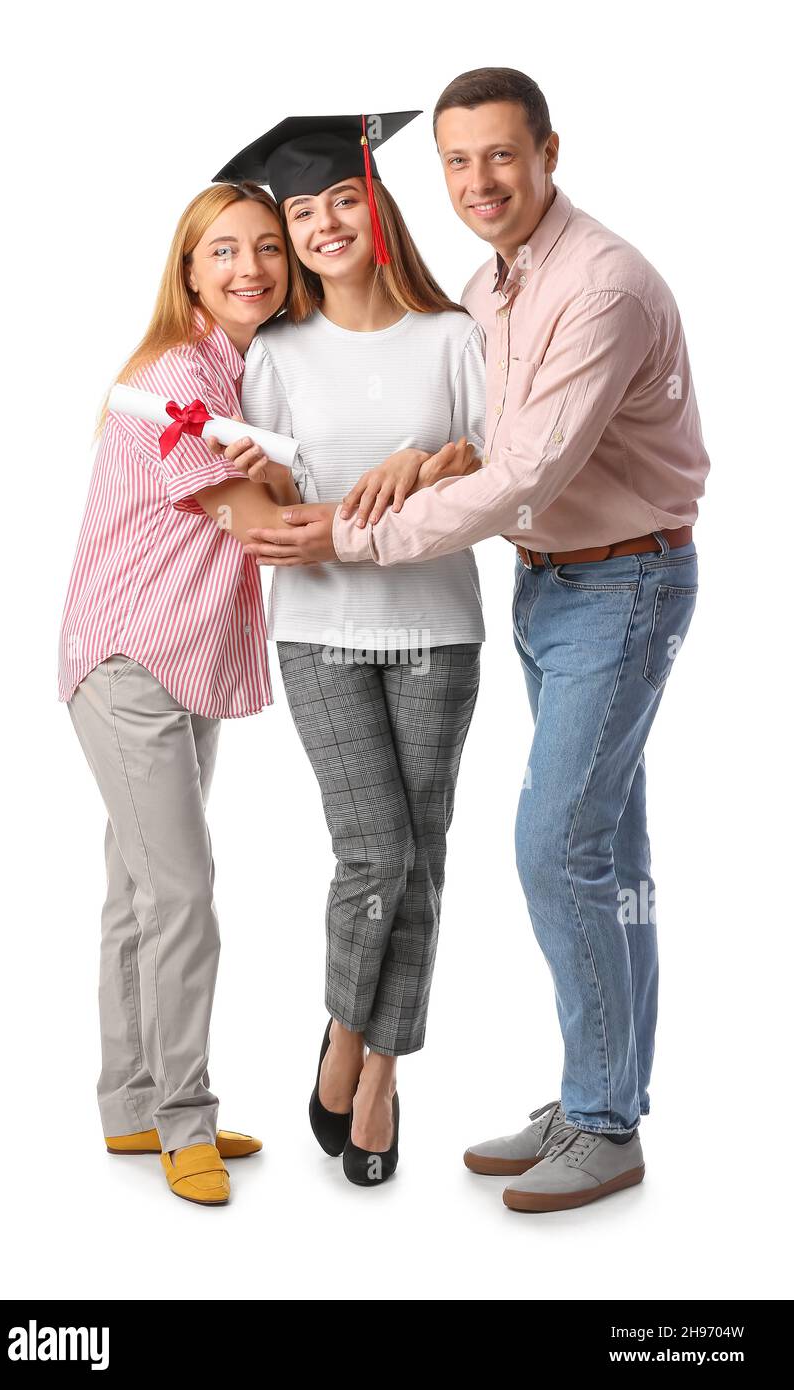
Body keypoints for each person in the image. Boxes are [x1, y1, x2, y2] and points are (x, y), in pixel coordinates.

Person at [244, 71, 710, 1213]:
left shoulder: (595, 285)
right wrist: (433, 457)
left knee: (555, 851)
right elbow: (495, 441)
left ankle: (602, 1121)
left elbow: (527, 471)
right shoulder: (492, 287)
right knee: (611, 860)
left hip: (621, 582)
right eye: (455, 162)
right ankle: (602, 1093)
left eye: (498, 157)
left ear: (548, 152)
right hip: (551, 592)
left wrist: (357, 532)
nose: (476, 182)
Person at [203, 111, 486, 1186]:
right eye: (301, 211)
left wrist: (435, 460)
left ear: (379, 204)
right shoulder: (273, 353)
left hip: (437, 631)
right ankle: (349, 1031)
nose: (323, 224)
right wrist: (266, 507)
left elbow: (494, 472)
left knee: (422, 857)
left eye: (341, 200)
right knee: (377, 855)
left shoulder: (455, 337)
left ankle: (373, 1068)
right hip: (319, 632)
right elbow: (256, 490)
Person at [58, 180, 305, 1206]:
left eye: (266, 250)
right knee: (182, 895)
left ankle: (129, 1104)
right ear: (189, 271)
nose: (250, 267)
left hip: (180, 664)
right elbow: (261, 524)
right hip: (129, 666)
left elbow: (266, 492)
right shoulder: (175, 379)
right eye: (224, 253)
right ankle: (183, 1121)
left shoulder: (242, 374)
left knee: (137, 891)